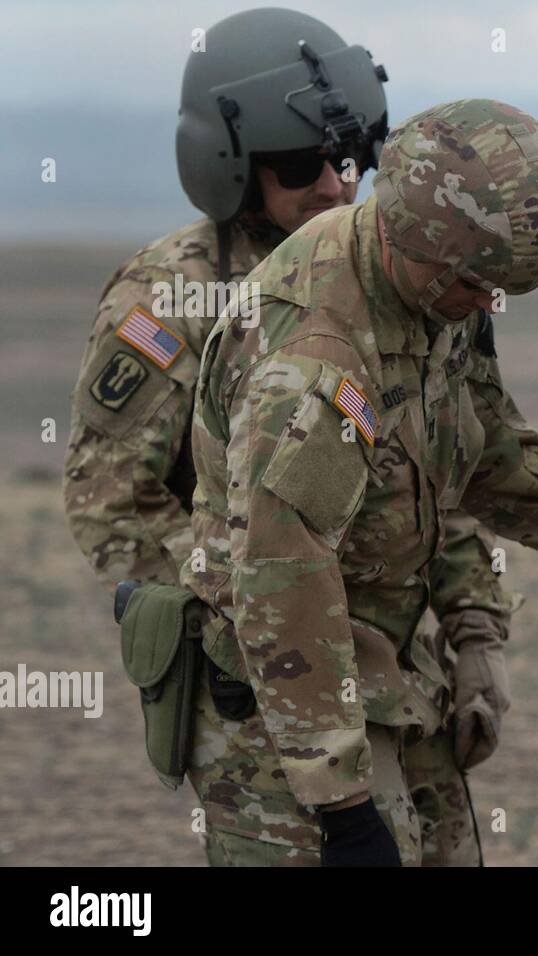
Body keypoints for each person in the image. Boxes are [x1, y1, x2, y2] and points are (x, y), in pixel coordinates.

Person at [62, 8, 504, 866]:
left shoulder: (390, 276)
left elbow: (441, 476)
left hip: (401, 677)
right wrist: (244, 598)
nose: (335, 186)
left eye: (349, 159)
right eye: (299, 166)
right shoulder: (173, 296)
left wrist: (475, 629)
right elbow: (110, 502)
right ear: (228, 166)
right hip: (263, 695)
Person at [184, 98, 538, 865]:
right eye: (475, 286)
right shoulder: (314, 364)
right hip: (289, 711)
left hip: (389, 671)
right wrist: (340, 804)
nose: (484, 305)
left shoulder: (438, 289)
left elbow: (486, 449)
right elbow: (281, 580)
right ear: (421, 247)